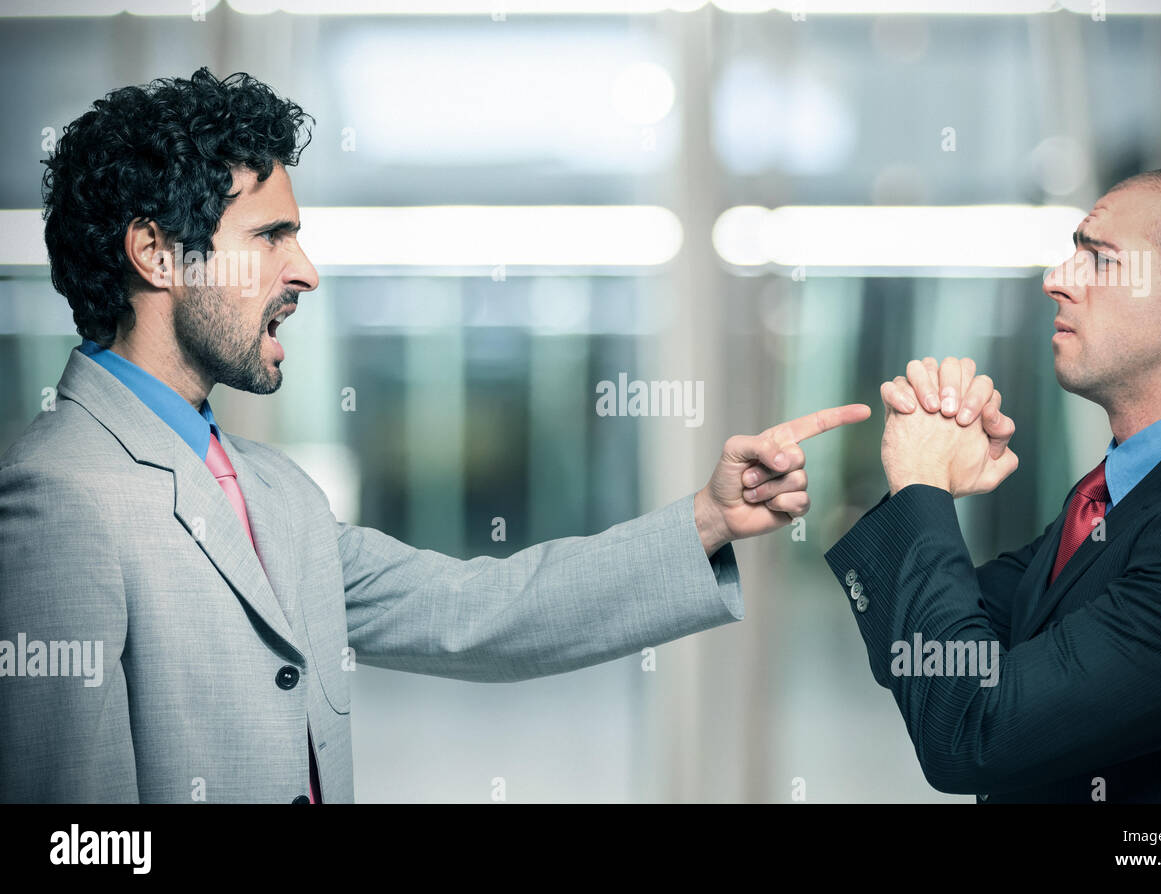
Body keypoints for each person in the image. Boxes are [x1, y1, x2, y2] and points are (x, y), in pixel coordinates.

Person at [0, 68, 1003, 803]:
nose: (306, 272)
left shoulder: (270, 492)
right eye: (270, 237)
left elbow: (478, 610)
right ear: (153, 254)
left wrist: (705, 519)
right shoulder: (64, 496)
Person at [827, 169, 1161, 803]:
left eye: (1098, 260)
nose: (1056, 279)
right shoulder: (1120, 493)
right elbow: (924, 660)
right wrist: (922, 487)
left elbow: (970, 732)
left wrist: (923, 485)